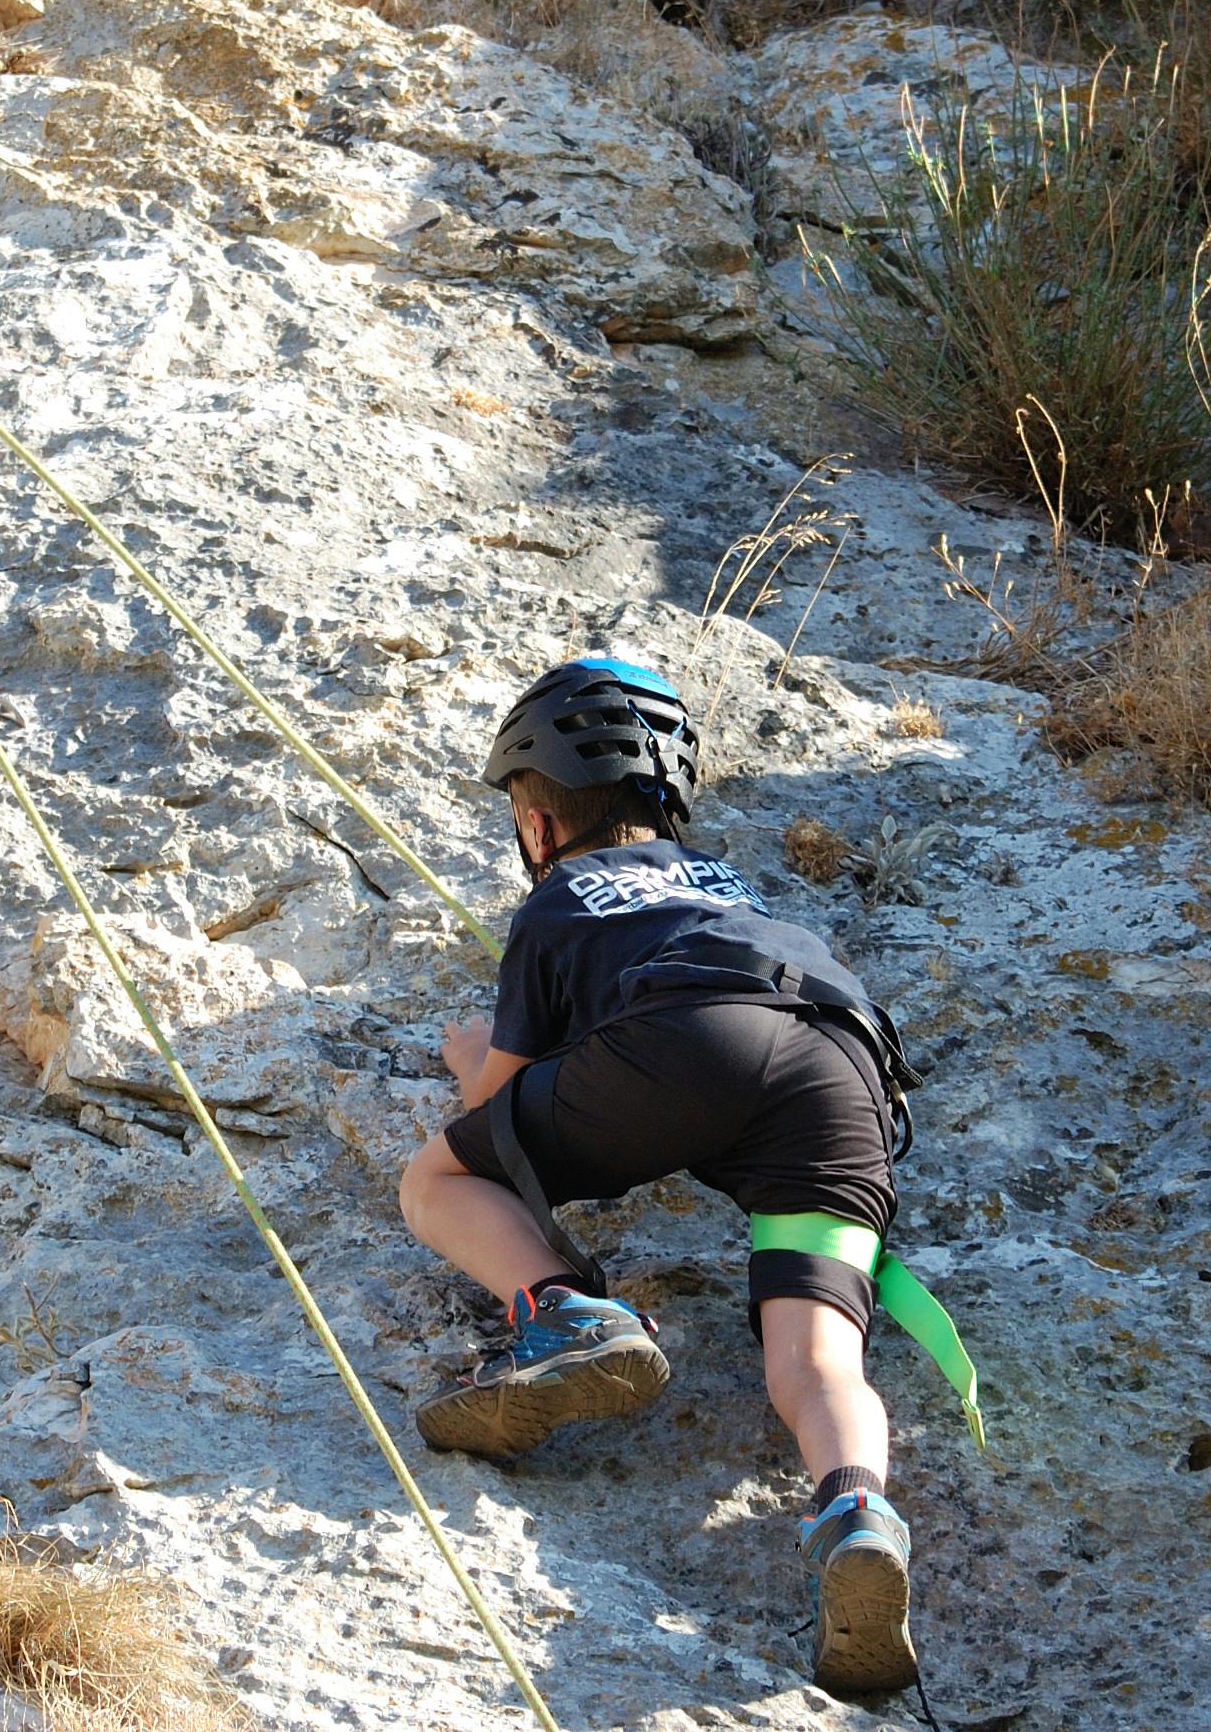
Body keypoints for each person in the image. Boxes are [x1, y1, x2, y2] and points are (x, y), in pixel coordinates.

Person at [396, 656, 927, 1697]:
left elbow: (488, 1114)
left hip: (692, 1038)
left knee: (434, 1179)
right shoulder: (740, 889)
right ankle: (855, 1506)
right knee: (817, 1357)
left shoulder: (557, 899)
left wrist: (470, 1061)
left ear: (536, 826)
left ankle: (568, 1314)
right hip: (843, 1059)